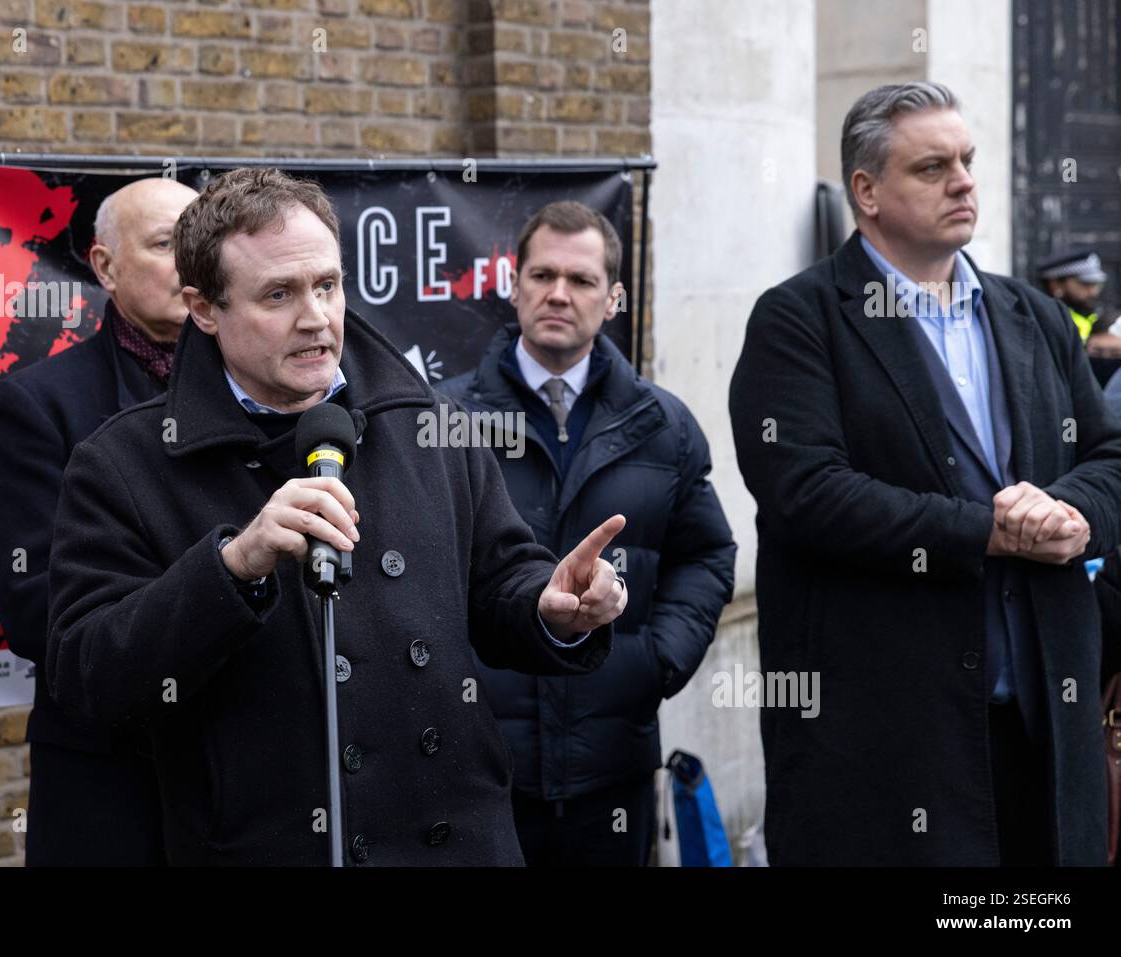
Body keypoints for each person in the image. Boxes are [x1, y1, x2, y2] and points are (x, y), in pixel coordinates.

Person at [44, 167, 630, 866]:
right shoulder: (125, 464)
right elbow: (86, 673)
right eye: (278, 294)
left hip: (458, 841)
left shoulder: (432, 427)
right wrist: (233, 567)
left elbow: (499, 580)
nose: (316, 317)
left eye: (327, 285)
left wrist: (551, 606)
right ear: (204, 309)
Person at [729, 81, 1121, 865]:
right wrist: (991, 532)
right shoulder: (799, 320)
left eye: (968, 160)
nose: (965, 181)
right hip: (892, 750)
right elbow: (807, 491)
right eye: (933, 166)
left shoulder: (1033, 316)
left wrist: (1072, 513)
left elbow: (1108, 455)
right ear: (866, 192)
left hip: (1044, 733)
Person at [439, 201, 735, 866]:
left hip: (613, 767)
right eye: (541, 275)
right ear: (512, 287)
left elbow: (708, 553)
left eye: (581, 280)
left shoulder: (665, 424)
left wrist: (655, 660)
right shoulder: (444, 421)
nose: (558, 294)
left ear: (614, 299)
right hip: (478, 763)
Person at [0, 176, 198, 865]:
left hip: (253, 779)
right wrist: (215, 590)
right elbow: (33, 605)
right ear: (104, 266)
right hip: (113, 781)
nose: (192, 265)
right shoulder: (42, 404)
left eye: (204, 244)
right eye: (168, 245)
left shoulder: (271, 390)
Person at [1035, 248, 1109, 344]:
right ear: (1055, 284)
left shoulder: (1100, 315)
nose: (1093, 292)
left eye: (1096, 284)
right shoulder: (1041, 319)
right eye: (1085, 283)